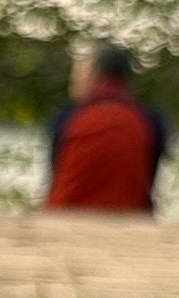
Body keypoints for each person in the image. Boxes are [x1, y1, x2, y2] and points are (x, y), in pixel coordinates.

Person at [42, 40, 168, 211]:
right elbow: (147, 186)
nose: (73, 80)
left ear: (94, 74)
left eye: (78, 72)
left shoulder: (69, 117)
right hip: (128, 224)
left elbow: (54, 176)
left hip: (64, 218)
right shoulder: (149, 121)